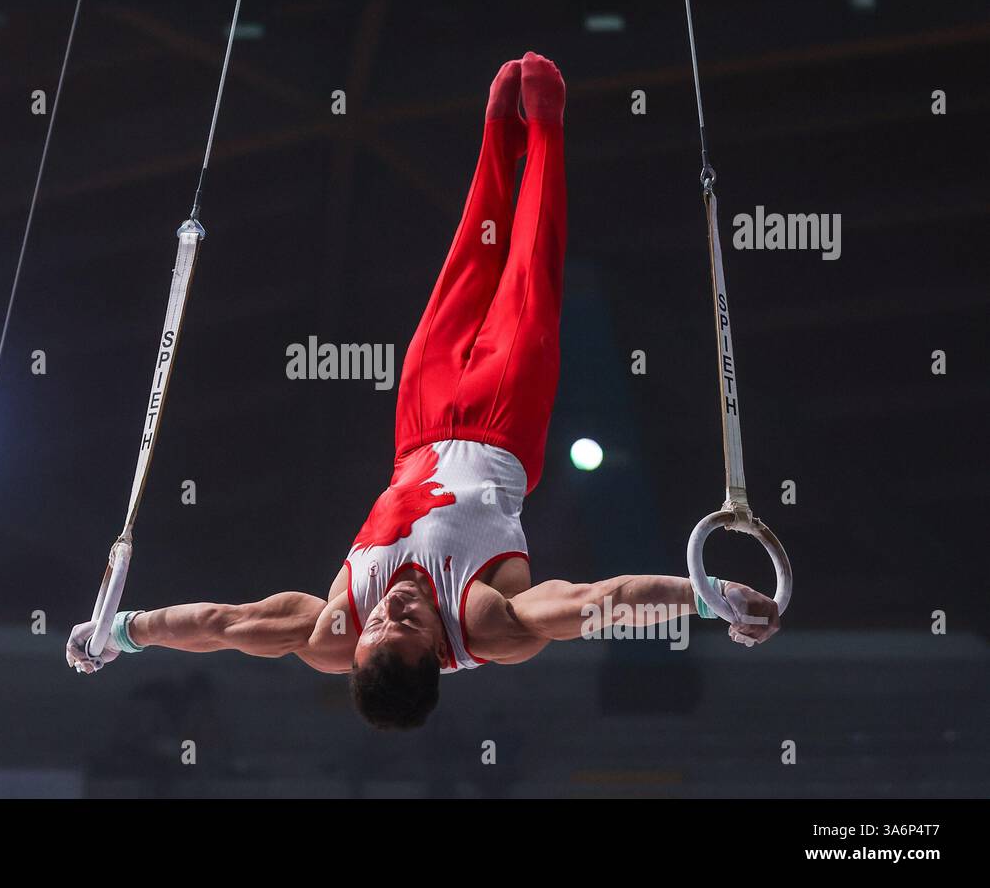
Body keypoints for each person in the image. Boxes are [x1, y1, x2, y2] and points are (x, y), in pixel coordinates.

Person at [66, 53, 780, 730]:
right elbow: (602, 602)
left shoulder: (334, 631)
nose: (394, 607)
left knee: (469, 259)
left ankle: (499, 132)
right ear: (439, 653)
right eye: (408, 623)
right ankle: (549, 127)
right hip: (503, 427)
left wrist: (121, 631)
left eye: (380, 622)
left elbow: (224, 626)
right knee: (531, 269)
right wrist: (710, 598)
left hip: (417, 427)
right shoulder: (489, 628)